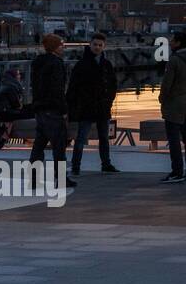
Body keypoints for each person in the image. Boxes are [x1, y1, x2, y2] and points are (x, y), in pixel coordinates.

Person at [66, 32, 120, 176]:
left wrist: (109, 100)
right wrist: (73, 106)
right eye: (95, 44)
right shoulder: (81, 65)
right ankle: (76, 166)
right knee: (81, 138)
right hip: (86, 107)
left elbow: (113, 84)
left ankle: (106, 164)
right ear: (90, 45)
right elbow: (73, 87)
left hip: (103, 106)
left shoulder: (106, 65)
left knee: (104, 138)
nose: (97, 47)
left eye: (100, 45)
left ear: (104, 46)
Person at [29, 34, 75, 188]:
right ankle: (61, 179)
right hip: (53, 110)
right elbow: (57, 90)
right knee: (59, 147)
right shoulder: (56, 63)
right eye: (61, 45)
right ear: (54, 47)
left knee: (39, 145)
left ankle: (34, 179)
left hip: (40, 109)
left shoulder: (38, 63)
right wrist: (63, 110)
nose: (63, 47)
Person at [159, 31, 186, 183]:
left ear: (178, 43)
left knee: (174, 140)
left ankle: (177, 172)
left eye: (172, 41)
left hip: (173, 105)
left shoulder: (174, 60)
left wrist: (162, 99)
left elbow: (167, 84)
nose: (170, 43)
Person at [0, 66, 27, 150]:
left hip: (0, 112)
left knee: (12, 119)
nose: (19, 76)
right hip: (5, 113)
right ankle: (2, 140)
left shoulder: (5, 84)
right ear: (13, 76)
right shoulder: (12, 87)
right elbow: (16, 105)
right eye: (17, 74)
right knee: (30, 113)